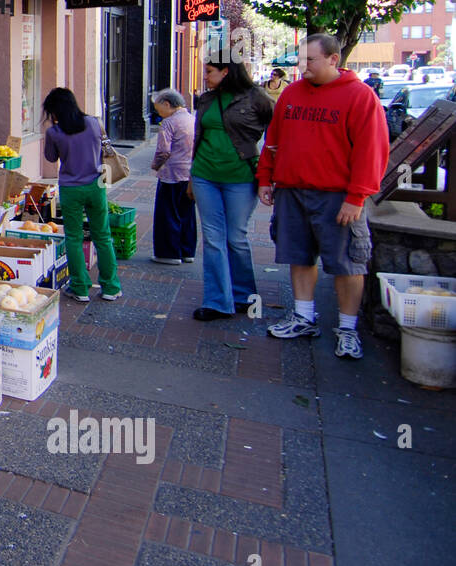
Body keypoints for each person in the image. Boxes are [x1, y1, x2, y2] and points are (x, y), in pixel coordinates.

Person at [258, 33, 390, 360]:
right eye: (301, 61)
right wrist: (265, 178)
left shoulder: (360, 97)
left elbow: (371, 152)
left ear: (333, 60)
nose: (303, 68)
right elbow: (273, 140)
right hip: (292, 191)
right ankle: (303, 316)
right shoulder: (291, 94)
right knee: (299, 256)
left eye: (310, 61)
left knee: (348, 264)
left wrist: (357, 197)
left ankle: (347, 327)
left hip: (337, 196)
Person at [190, 58, 273, 321]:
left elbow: (276, 133)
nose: (205, 76)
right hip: (205, 175)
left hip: (241, 177)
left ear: (226, 72)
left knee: (235, 238)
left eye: (209, 71)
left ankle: (243, 295)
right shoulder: (206, 99)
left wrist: (268, 175)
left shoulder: (256, 98)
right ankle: (217, 302)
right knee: (213, 239)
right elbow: (198, 137)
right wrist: (192, 176)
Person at [42, 88, 121, 303]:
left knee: (74, 238)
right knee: (103, 236)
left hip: (71, 189)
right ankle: (111, 287)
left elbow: (50, 158)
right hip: (96, 185)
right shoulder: (94, 123)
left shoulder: (54, 132)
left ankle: (80, 287)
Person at [149, 89, 196, 265]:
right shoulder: (192, 119)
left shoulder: (169, 123)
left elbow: (163, 151)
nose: (158, 112)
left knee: (168, 214)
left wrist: (155, 166)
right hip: (189, 174)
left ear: (167, 104)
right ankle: (187, 251)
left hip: (171, 174)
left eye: (158, 108)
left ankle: (169, 254)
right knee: (187, 213)